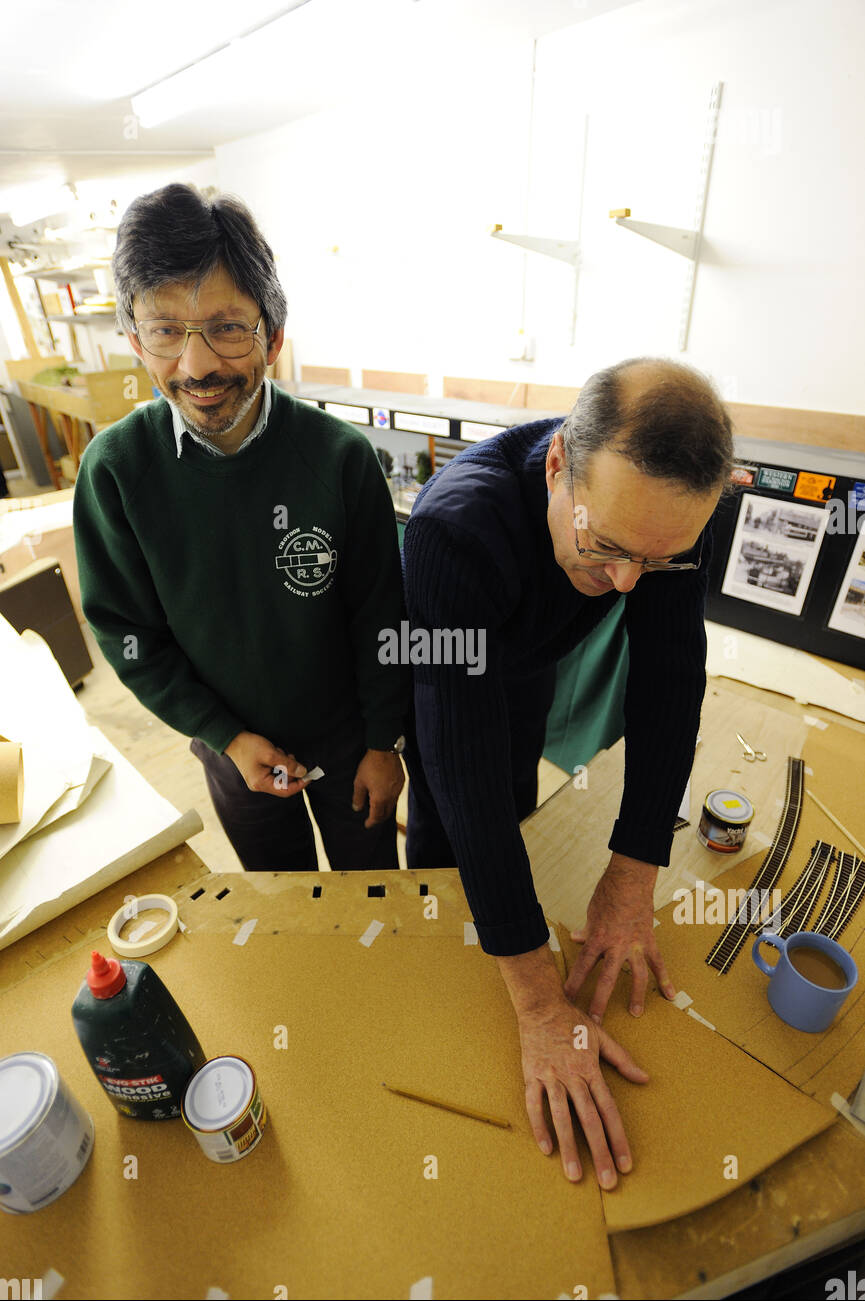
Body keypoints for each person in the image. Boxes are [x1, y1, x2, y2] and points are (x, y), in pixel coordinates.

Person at [402, 357, 734, 1188]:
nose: (625, 584)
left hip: (521, 666)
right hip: (435, 660)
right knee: (451, 831)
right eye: (606, 549)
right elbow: (459, 764)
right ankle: (444, 948)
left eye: (651, 564)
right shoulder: (454, 530)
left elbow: (668, 681)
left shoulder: (669, 518)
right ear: (557, 467)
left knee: (518, 799)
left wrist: (631, 877)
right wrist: (539, 1003)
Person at [74, 183, 408, 872]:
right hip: (228, 749)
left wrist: (384, 743)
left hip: (349, 743)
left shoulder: (340, 459)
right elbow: (126, 632)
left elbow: (382, 617)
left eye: (227, 327)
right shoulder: (116, 471)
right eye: (165, 330)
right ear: (135, 339)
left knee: (370, 889)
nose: (196, 367)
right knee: (278, 901)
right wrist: (223, 737)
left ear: (274, 335)